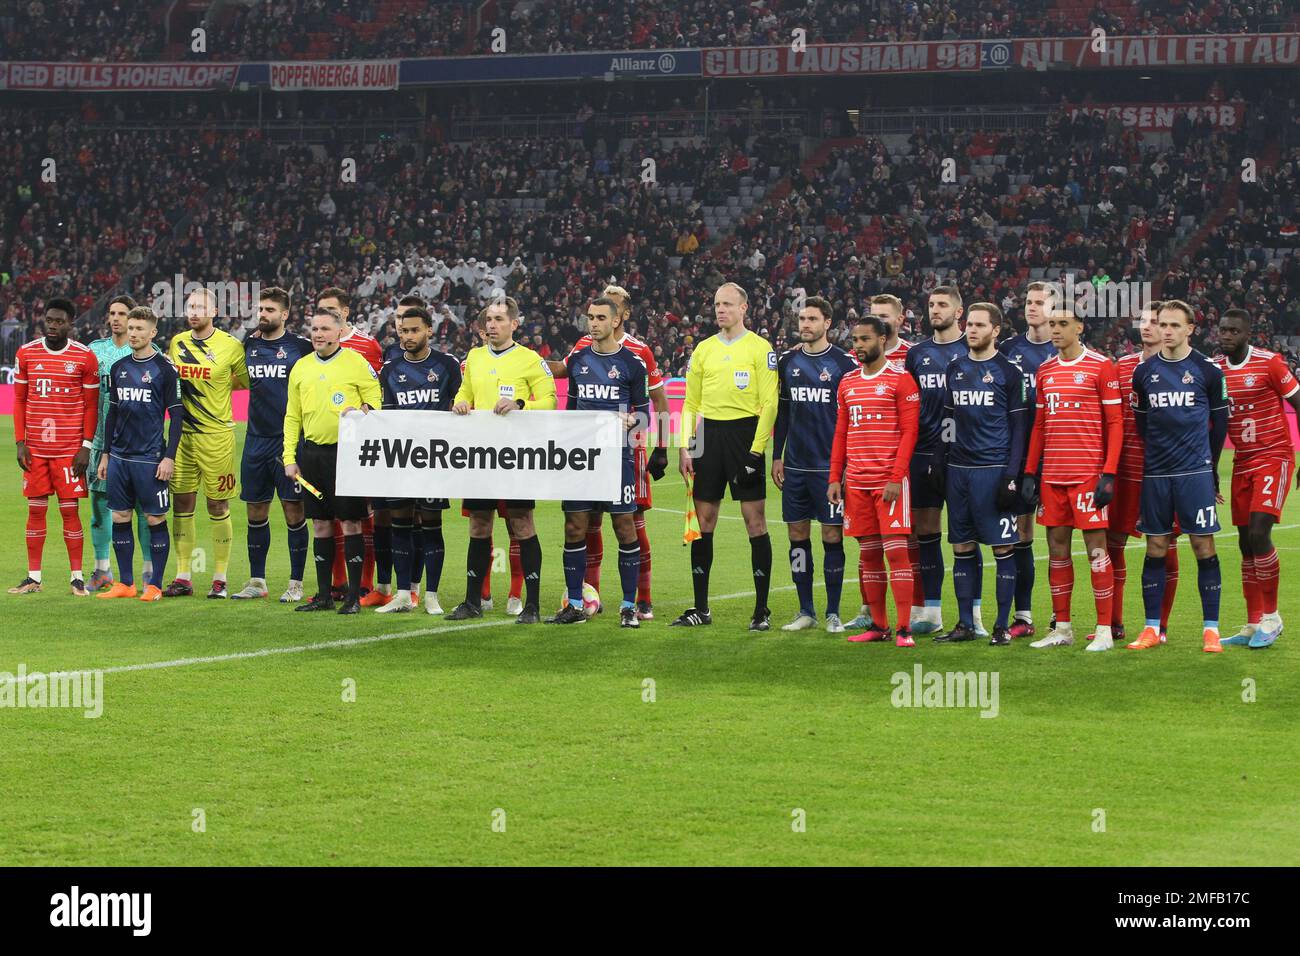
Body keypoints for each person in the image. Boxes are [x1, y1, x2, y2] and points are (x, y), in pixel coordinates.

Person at [547, 284, 669, 620]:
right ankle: (576, 603)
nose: (593, 323)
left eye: (601, 317)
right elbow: (571, 406)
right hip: (583, 459)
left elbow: (648, 411)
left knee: (626, 526)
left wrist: (640, 427)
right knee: (576, 527)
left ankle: (632, 605)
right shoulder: (580, 357)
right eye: (590, 317)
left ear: (617, 320)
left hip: (619, 457)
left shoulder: (634, 360)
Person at [673, 282, 779, 630]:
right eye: (717, 304)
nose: (721, 310)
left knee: (755, 522)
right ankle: (701, 609)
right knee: (704, 523)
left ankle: (761, 611)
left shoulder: (760, 348)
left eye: (728, 304)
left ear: (744, 308)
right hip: (709, 435)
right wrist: (686, 444)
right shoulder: (703, 349)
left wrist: (756, 449)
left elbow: (770, 404)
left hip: (744, 434)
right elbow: (690, 402)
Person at [447, 296, 557, 624]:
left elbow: (550, 401)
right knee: (479, 524)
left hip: (515, 457)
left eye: (498, 319)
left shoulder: (529, 359)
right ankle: (472, 601)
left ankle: (532, 605)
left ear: (514, 324)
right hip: (480, 456)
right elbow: (464, 393)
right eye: (488, 320)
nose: (491, 325)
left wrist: (521, 404)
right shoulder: (475, 357)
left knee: (521, 523)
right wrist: (460, 404)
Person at [1129, 300, 1230, 652]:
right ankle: (1151, 628)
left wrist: (1210, 466)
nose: (1166, 331)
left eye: (1174, 326)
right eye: (1162, 325)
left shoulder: (1208, 370)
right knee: (1156, 546)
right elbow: (1143, 423)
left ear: (1190, 329)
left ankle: (1211, 630)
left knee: (1203, 545)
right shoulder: (1143, 373)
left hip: (1194, 472)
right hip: (1156, 473)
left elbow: (1220, 426)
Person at [1020, 305, 1123, 650]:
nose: (1055, 329)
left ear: (1079, 326)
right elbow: (1039, 425)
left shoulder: (1100, 367)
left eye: (1063, 323)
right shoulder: (1045, 370)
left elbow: (1115, 423)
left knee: (1096, 551)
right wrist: (1031, 472)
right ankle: (1062, 628)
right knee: (1056, 550)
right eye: (1052, 324)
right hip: (1053, 477)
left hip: (1087, 477)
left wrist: (1108, 474)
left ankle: (1105, 630)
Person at [934, 302, 1027, 646]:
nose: (971, 330)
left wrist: (1012, 475)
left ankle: (1002, 626)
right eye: (969, 324)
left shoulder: (1009, 372)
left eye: (979, 325)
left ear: (996, 330)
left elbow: (1020, 428)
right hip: (959, 470)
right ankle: (964, 624)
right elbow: (948, 419)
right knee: (961, 547)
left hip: (993, 470)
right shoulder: (955, 368)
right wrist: (939, 458)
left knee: (1003, 549)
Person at [282, 305, 383, 614]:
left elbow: (376, 401)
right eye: (315, 328)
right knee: (321, 525)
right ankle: (324, 594)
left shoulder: (357, 363)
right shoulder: (301, 367)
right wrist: (289, 457)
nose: (318, 334)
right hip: (311, 457)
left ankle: (353, 596)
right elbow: (292, 416)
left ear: (340, 331)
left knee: (351, 523)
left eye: (325, 328)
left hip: (347, 455)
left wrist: (363, 410)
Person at [827, 315, 920, 646]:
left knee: (896, 555)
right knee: (868, 555)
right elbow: (841, 432)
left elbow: (910, 433)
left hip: (889, 483)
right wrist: (834, 477)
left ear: (882, 339)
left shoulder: (901, 380)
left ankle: (905, 628)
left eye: (865, 339)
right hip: (856, 482)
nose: (858, 346)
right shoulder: (848, 382)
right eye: (855, 340)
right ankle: (879, 626)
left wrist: (897, 477)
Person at [1213, 308, 1299, 648]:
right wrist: (1211, 468)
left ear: (1248, 333)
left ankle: (1272, 617)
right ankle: (1252, 622)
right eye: (1222, 329)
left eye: (1234, 330)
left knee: (1261, 532)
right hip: (1241, 462)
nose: (1226, 335)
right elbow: (1216, 424)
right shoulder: (1216, 369)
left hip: (1273, 456)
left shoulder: (1270, 363)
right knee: (1245, 541)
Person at [772, 295, 858, 632]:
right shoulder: (788, 362)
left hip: (829, 469)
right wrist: (778, 455)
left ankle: (833, 611)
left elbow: (852, 419)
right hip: (795, 466)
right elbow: (783, 413)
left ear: (827, 324)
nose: (805, 324)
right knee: (797, 534)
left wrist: (847, 465)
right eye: (802, 319)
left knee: (832, 535)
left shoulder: (843, 364)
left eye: (812, 319)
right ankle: (805, 610)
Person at [374, 305, 462, 615]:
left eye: (414, 330)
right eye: (403, 330)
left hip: (435, 458)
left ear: (429, 331)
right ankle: (402, 594)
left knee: (431, 525)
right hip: (401, 457)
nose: (407, 336)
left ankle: (432, 596)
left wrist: (461, 406)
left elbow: (463, 401)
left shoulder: (447, 365)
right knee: (399, 523)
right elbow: (385, 414)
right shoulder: (389, 370)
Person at [163, 287, 249, 599]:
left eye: (200, 306)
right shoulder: (178, 342)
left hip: (217, 437)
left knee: (217, 504)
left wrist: (219, 388)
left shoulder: (230, 346)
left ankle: (220, 577)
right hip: (183, 437)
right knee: (182, 503)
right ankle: (183, 575)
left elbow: (245, 380)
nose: (194, 311)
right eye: (190, 306)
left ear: (213, 312)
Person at [10, 298, 98, 596]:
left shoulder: (84, 357)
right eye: (49, 319)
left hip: (69, 451)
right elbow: (19, 400)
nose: (53, 325)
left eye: (59, 321)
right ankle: (34, 577)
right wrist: (20, 442)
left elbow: (90, 406)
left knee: (69, 512)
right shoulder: (27, 353)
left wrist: (86, 445)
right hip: (35, 450)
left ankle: (76, 577)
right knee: (35, 511)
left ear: (71, 323)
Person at [230, 287, 313, 603]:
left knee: (294, 510)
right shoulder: (248, 345)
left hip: (289, 442)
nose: (262, 314)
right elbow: (235, 379)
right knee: (255, 509)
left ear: (285, 314)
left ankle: (296, 583)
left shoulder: (300, 347)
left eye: (269, 310)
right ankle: (257, 581)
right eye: (260, 309)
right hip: (255, 440)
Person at [95, 307, 183, 601]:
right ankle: (126, 584)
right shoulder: (119, 368)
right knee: (120, 516)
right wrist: (106, 454)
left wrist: (168, 457)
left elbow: (177, 416)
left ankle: (155, 584)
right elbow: (112, 414)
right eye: (130, 328)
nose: (133, 333)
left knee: (154, 519)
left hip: (150, 459)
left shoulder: (165, 369)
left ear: (153, 333)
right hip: (120, 457)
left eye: (139, 329)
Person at [1108, 301, 1179, 644]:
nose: (1148, 326)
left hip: (1165, 472)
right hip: (1124, 471)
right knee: (1111, 545)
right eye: (1144, 321)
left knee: (1167, 547)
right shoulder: (1120, 367)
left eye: (1156, 321)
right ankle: (1115, 621)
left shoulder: (1184, 368)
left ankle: (1160, 627)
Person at [902, 286, 970, 635]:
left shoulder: (970, 349)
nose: (935, 310)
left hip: (964, 456)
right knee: (925, 532)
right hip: (924, 452)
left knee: (965, 536)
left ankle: (971, 616)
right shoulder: (918, 354)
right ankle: (931, 610)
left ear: (959, 312)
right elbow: (909, 405)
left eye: (943, 304)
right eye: (931, 304)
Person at [317, 286, 385, 603]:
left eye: (329, 309)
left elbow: (375, 394)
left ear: (344, 312)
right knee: (328, 516)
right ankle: (336, 582)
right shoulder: (314, 348)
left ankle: (364, 583)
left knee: (359, 514)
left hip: (357, 447)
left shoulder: (366, 346)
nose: (323, 316)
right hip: (323, 446)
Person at [997, 281, 1058, 636]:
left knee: (1058, 538)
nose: (1032, 308)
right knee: (1022, 533)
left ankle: (1058, 615)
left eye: (1040, 303)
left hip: (1059, 453)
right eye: (1029, 302)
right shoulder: (1008, 349)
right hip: (1019, 453)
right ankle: (1024, 616)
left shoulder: (1062, 347)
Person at [87, 295, 153, 591]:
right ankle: (102, 570)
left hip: (136, 444)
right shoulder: (94, 351)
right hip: (101, 440)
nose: (116, 318)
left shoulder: (146, 352)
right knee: (100, 507)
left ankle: (148, 571)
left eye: (122, 313)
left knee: (142, 508)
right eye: (112, 313)